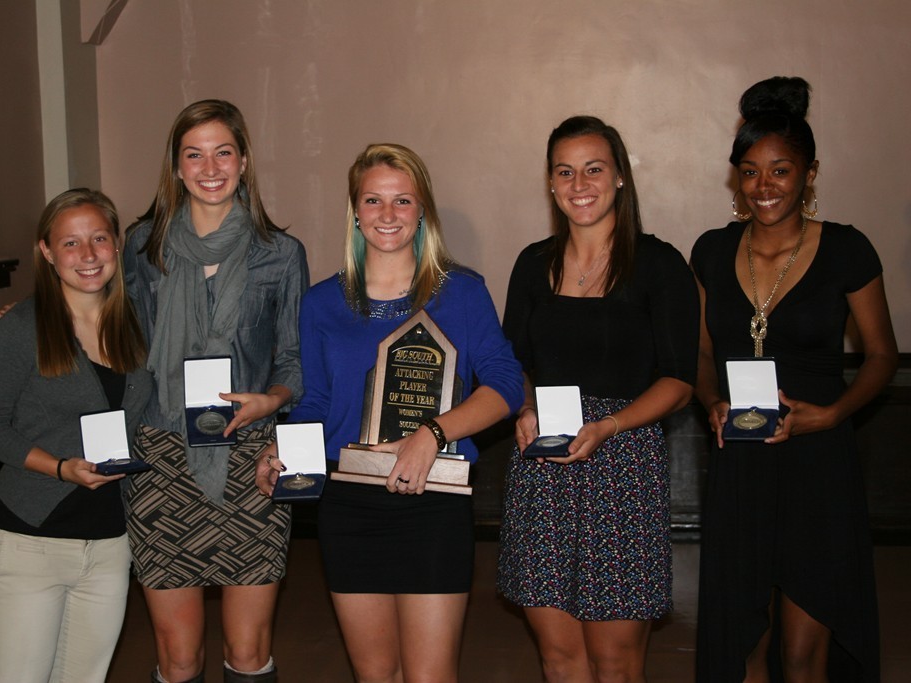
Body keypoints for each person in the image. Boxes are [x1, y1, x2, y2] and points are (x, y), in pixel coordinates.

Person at [257, 143, 523, 683]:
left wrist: (433, 432)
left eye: (402, 201)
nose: (387, 215)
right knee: (376, 675)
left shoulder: (462, 293)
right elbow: (317, 402)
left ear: (422, 209)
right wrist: (282, 445)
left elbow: (506, 385)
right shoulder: (321, 303)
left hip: (434, 498)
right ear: (355, 210)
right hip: (349, 504)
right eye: (373, 200)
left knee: (428, 677)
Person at [692, 77, 896, 682]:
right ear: (737, 178)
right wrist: (711, 403)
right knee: (744, 644)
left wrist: (833, 414)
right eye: (750, 171)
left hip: (819, 463)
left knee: (805, 651)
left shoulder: (848, 250)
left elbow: (882, 355)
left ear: (810, 172)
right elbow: (700, 355)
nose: (764, 186)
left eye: (781, 170)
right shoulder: (709, 251)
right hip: (741, 463)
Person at [497, 116, 699, 682]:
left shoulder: (659, 264)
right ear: (551, 182)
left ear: (619, 179)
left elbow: (680, 380)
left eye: (593, 169)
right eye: (565, 171)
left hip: (623, 467)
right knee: (560, 659)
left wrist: (609, 427)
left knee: (614, 662)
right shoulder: (533, 264)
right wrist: (525, 407)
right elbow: (513, 365)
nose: (578, 183)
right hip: (543, 469)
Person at [122, 100, 308, 683]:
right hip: (159, 459)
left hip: (251, 459)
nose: (210, 166)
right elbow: (97, 324)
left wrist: (271, 400)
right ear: (176, 167)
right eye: (194, 154)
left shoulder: (280, 254)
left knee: (248, 649)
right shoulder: (141, 246)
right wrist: (19, 318)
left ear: (244, 161)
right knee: (177, 655)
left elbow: (293, 361)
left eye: (223, 151)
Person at [0, 189, 153, 682]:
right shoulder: (22, 327)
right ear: (47, 252)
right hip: (30, 541)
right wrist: (58, 466)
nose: (87, 255)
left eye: (99, 238)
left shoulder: (135, 324)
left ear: (116, 244)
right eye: (70, 244)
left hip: (109, 543)